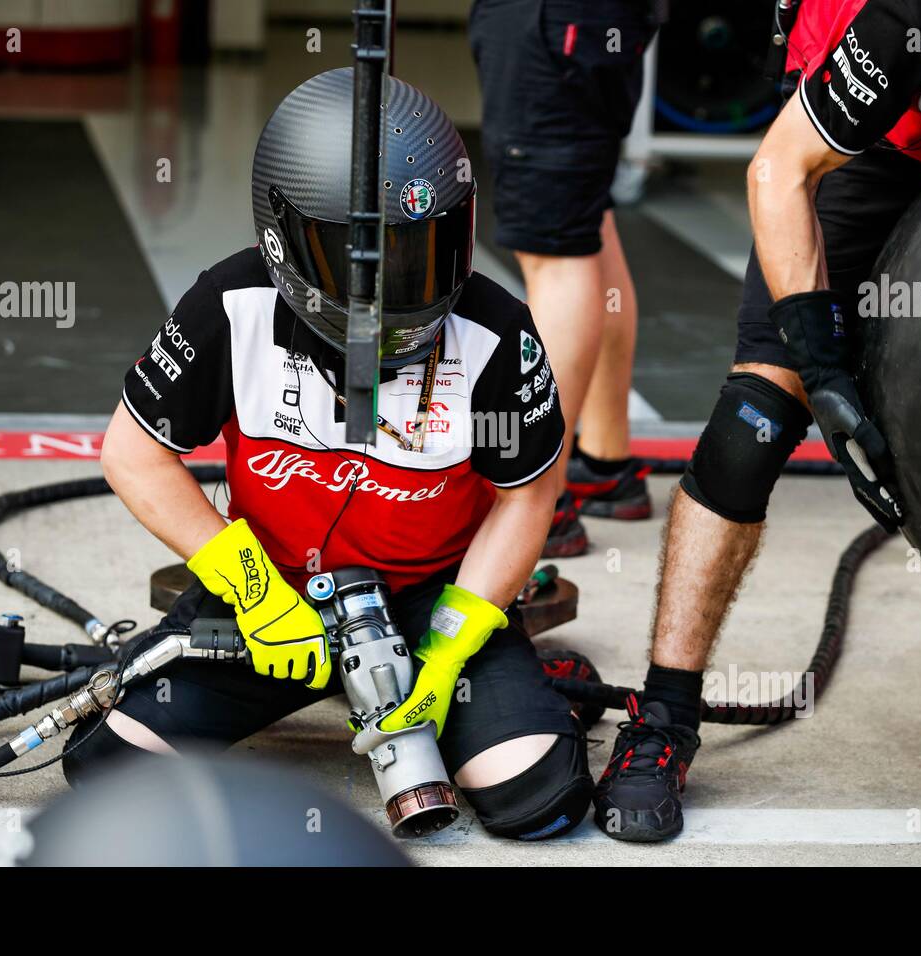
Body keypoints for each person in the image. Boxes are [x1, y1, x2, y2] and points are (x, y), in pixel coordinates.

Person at [594, 0, 921, 842]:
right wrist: (820, 361)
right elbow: (779, 172)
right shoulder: (907, 19)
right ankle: (661, 721)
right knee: (751, 426)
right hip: (885, 148)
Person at [65, 68, 594, 842]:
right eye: (371, 259)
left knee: (539, 800)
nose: (405, 283)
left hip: (430, 596)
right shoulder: (231, 303)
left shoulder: (496, 330)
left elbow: (528, 496)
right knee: (110, 777)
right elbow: (133, 453)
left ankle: (461, 689)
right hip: (271, 591)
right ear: (284, 238)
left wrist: (448, 650)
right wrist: (253, 592)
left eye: (426, 246)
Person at [469, 0, 667, 557]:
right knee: (583, 223)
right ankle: (605, 462)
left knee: (555, 255)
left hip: (552, 21)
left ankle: (540, 501)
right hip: (588, 23)